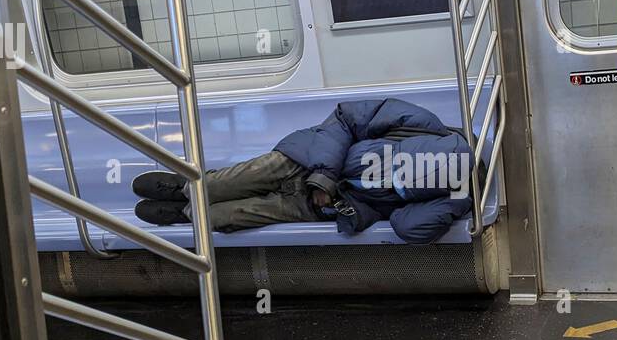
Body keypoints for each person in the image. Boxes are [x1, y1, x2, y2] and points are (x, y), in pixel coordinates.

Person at [133, 97, 474, 245]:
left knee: (228, 217)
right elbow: (346, 117)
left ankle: (187, 216)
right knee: (232, 182)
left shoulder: (448, 196)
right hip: (304, 159)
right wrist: (324, 175)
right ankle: (184, 189)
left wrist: (459, 202)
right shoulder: (422, 124)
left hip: (322, 207)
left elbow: (407, 226)